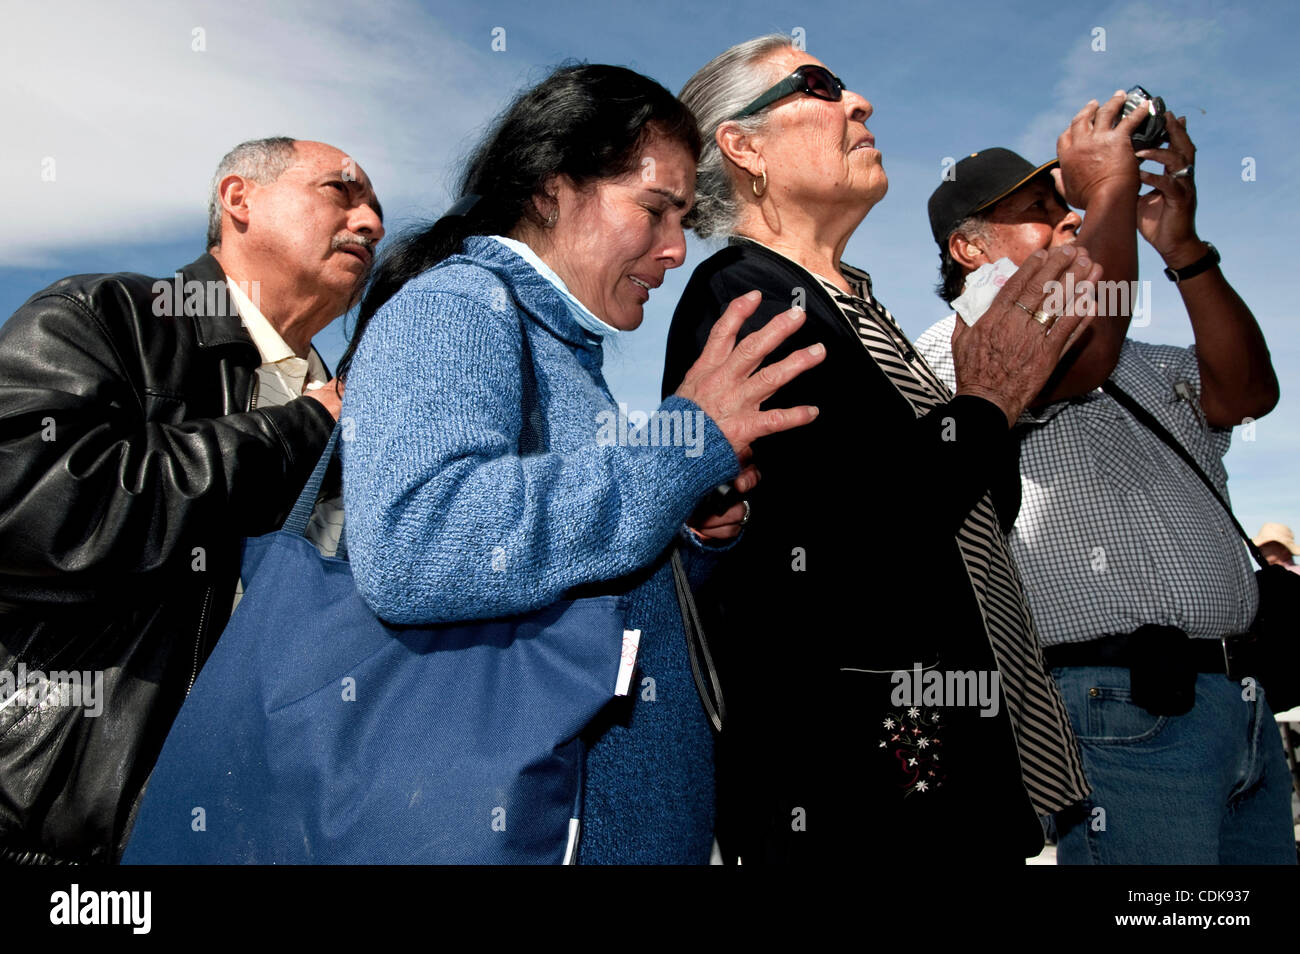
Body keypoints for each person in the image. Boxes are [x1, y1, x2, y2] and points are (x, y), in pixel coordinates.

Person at [339, 64, 823, 865]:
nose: (675, 249)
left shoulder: (561, 352)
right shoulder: (457, 305)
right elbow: (413, 546)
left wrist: (689, 527)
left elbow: (592, 588)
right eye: (656, 210)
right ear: (550, 187)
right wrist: (680, 445)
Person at [662, 34, 1100, 865]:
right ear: (743, 146)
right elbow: (834, 544)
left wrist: (987, 412)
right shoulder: (748, 296)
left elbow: (974, 514)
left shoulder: (855, 305)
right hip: (863, 791)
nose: (857, 102)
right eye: (819, 86)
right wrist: (982, 406)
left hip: (937, 762)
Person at [916, 111, 1293, 863]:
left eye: (1071, 206)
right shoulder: (952, 355)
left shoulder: (1138, 357)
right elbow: (1077, 351)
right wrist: (1116, 183)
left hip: (1237, 699)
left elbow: (1248, 395)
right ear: (968, 247)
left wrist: (1183, 250)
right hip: (1117, 703)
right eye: (1041, 212)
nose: (1072, 221)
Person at [0, 137, 384, 864]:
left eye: (375, 210)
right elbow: (31, 508)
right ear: (240, 200)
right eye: (342, 193)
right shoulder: (106, 315)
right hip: (53, 842)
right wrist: (303, 428)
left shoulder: (349, 411)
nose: (369, 223)